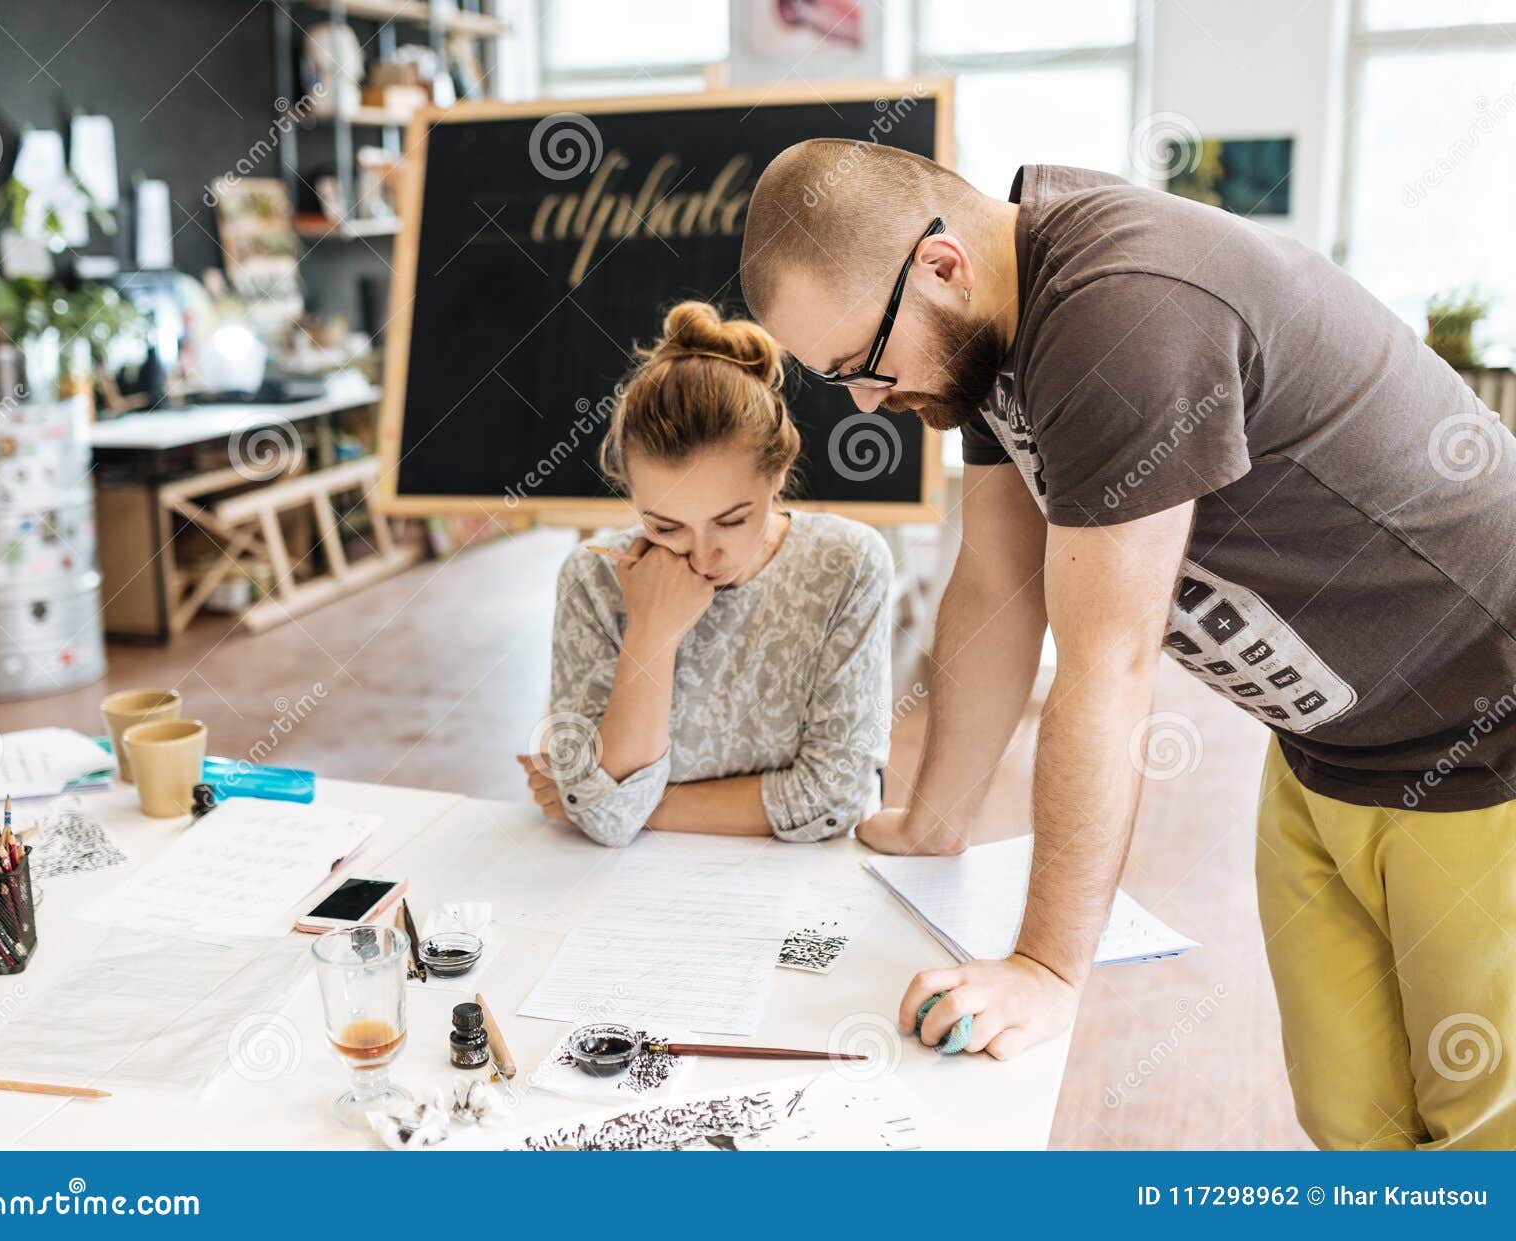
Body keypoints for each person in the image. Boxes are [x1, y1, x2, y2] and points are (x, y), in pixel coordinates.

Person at [739, 141, 1516, 1150]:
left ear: (939, 267)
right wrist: (934, 819)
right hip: (1332, 744)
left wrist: (1049, 967)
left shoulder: (1123, 311)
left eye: (862, 367)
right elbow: (996, 584)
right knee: (1352, 1121)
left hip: (1481, 729)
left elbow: (1106, 665)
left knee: (1479, 1140)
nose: (867, 403)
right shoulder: (990, 331)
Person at [520, 300, 893, 848]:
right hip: (630, 893)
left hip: (804, 889)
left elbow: (835, 798)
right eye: (666, 527)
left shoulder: (848, 563)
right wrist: (651, 631)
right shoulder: (593, 580)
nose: (702, 557)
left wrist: (624, 800)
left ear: (779, 475)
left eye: (732, 520)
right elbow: (602, 822)